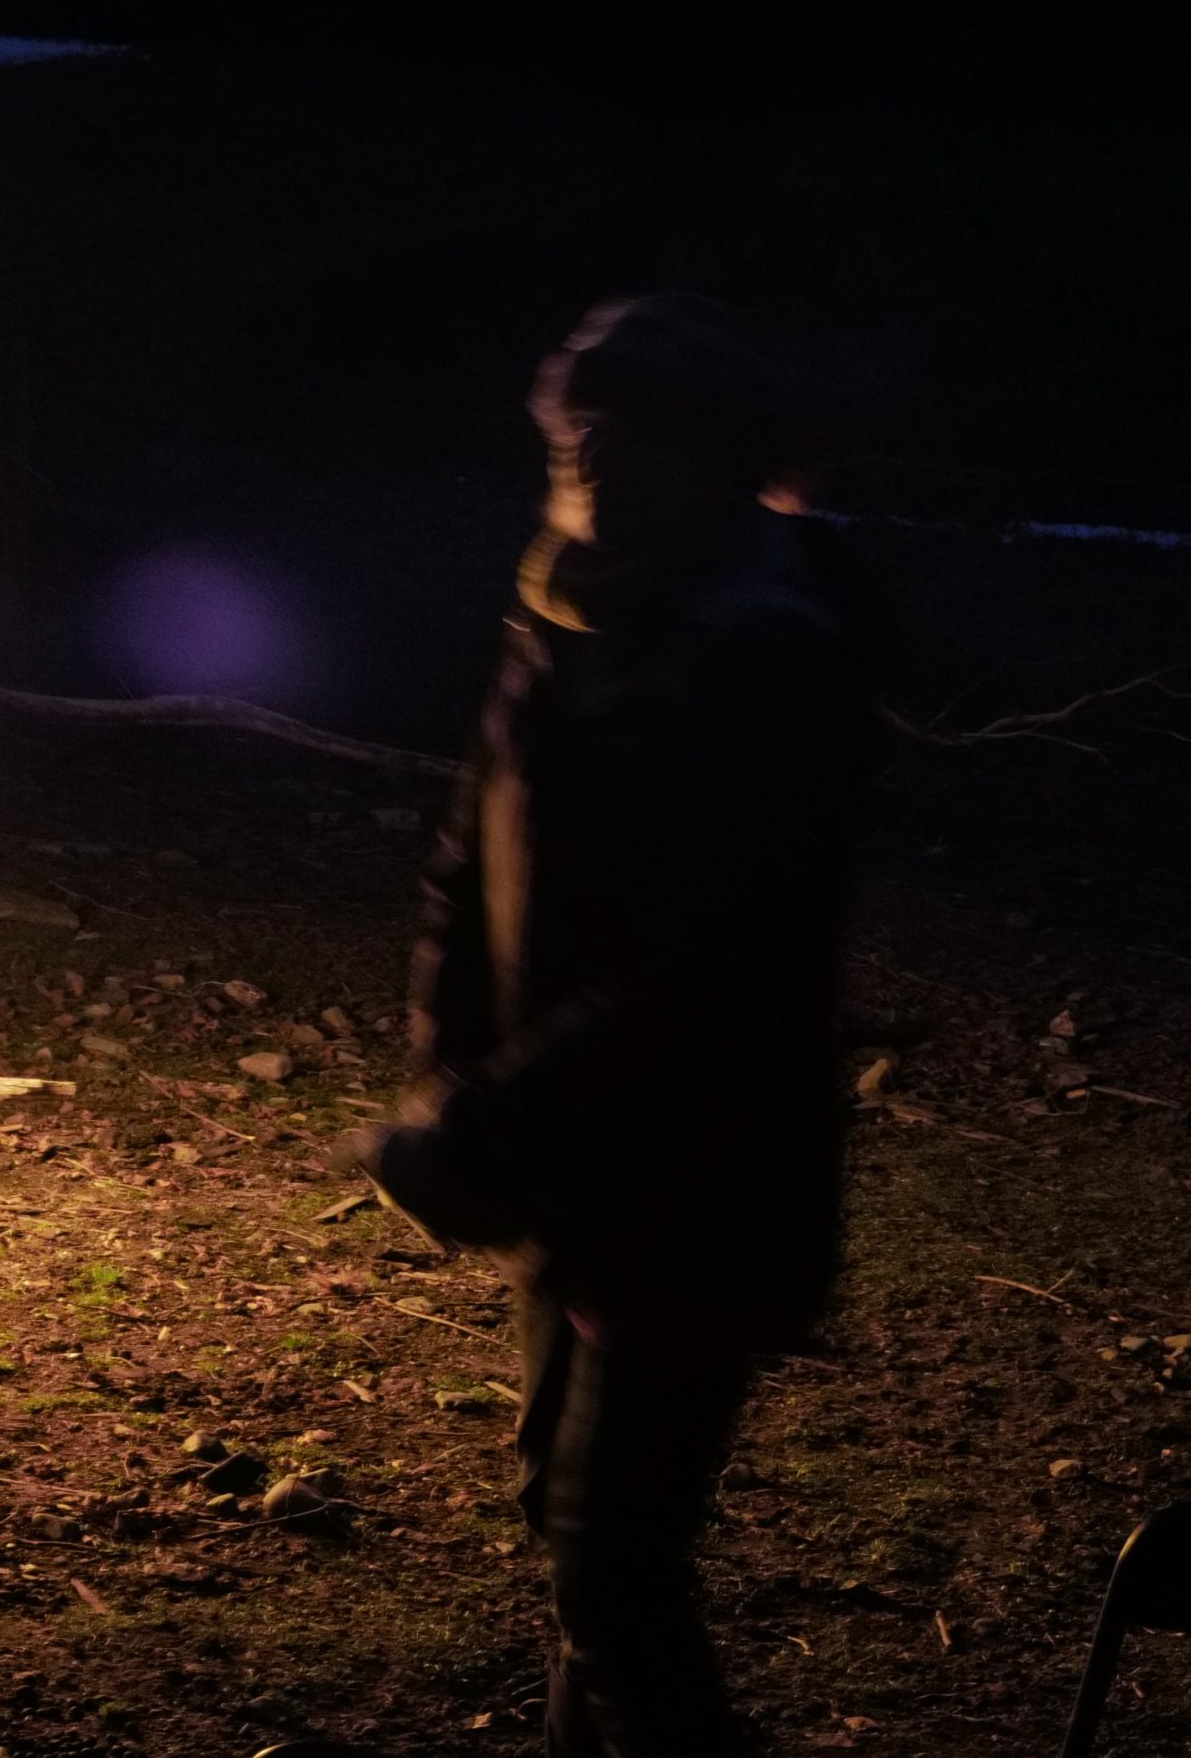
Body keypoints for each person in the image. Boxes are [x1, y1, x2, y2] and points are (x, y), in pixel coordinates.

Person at [353, 296, 886, 1758]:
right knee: (566, 1511)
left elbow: (700, 955)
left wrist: (487, 1118)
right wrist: (448, 1061)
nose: (587, 459)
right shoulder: (577, 603)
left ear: (717, 455)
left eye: (623, 431)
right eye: (570, 431)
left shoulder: (762, 652)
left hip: (698, 1160)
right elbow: (476, 849)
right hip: (572, 1156)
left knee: (615, 1562)